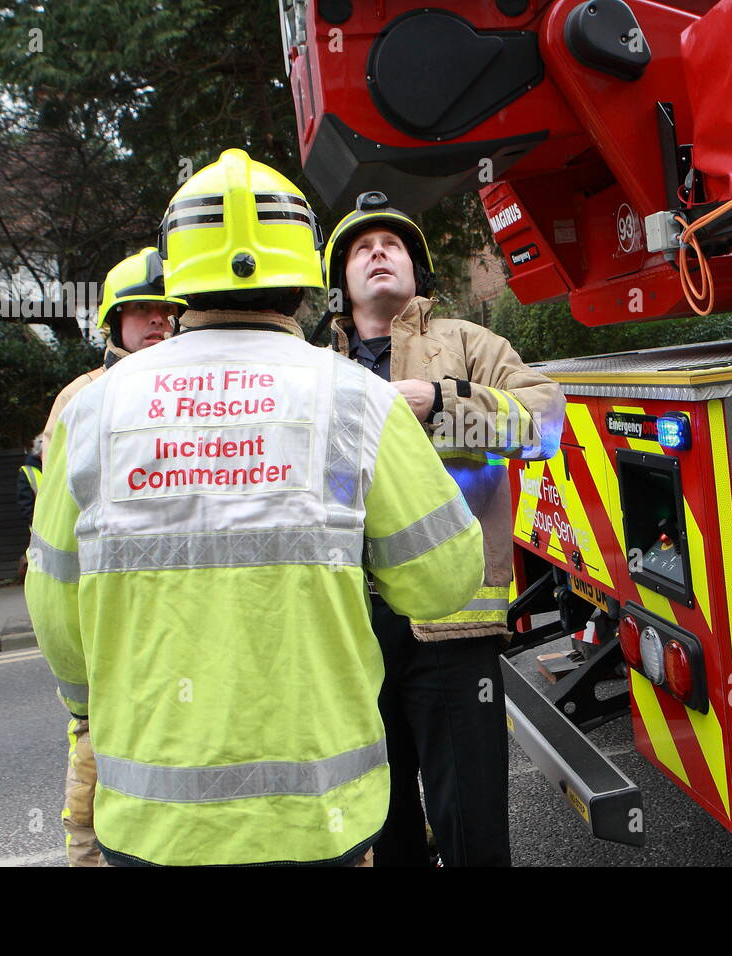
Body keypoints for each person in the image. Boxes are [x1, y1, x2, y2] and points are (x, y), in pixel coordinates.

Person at [25, 149, 483, 867]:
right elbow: (442, 581)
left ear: (179, 279)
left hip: (153, 824)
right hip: (319, 819)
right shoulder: (357, 399)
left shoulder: (92, 411)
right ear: (304, 278)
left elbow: (55, 608)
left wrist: (90, 708)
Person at [323, 191, 564, 866]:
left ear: (417, 271)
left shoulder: (464, 343)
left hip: (452, 622)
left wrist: (445, 405)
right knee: (383, 820)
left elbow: (546, 422)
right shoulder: (316, 369)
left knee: (472, 825)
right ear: (339, 280)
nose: (377, 252)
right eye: (362, 248)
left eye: (392, 244)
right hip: (348, 627)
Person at [20, 248, 185, 867]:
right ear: (112, 325)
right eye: (141, 311)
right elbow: (54, 519)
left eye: (168, 311)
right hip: (104, 612)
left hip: (173, 610)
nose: (157, 322)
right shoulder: (83, 397)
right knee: (93, 781)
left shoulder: (196, 386)